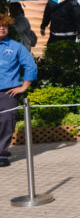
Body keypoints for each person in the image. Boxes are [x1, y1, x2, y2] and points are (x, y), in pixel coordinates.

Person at [0, 12, 37, 169]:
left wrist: (24, 86)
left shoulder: (16, 47)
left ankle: (1, 154)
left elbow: (30, 65)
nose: (2, 29)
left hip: (8, 93)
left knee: (6, 124)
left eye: (5, 26)